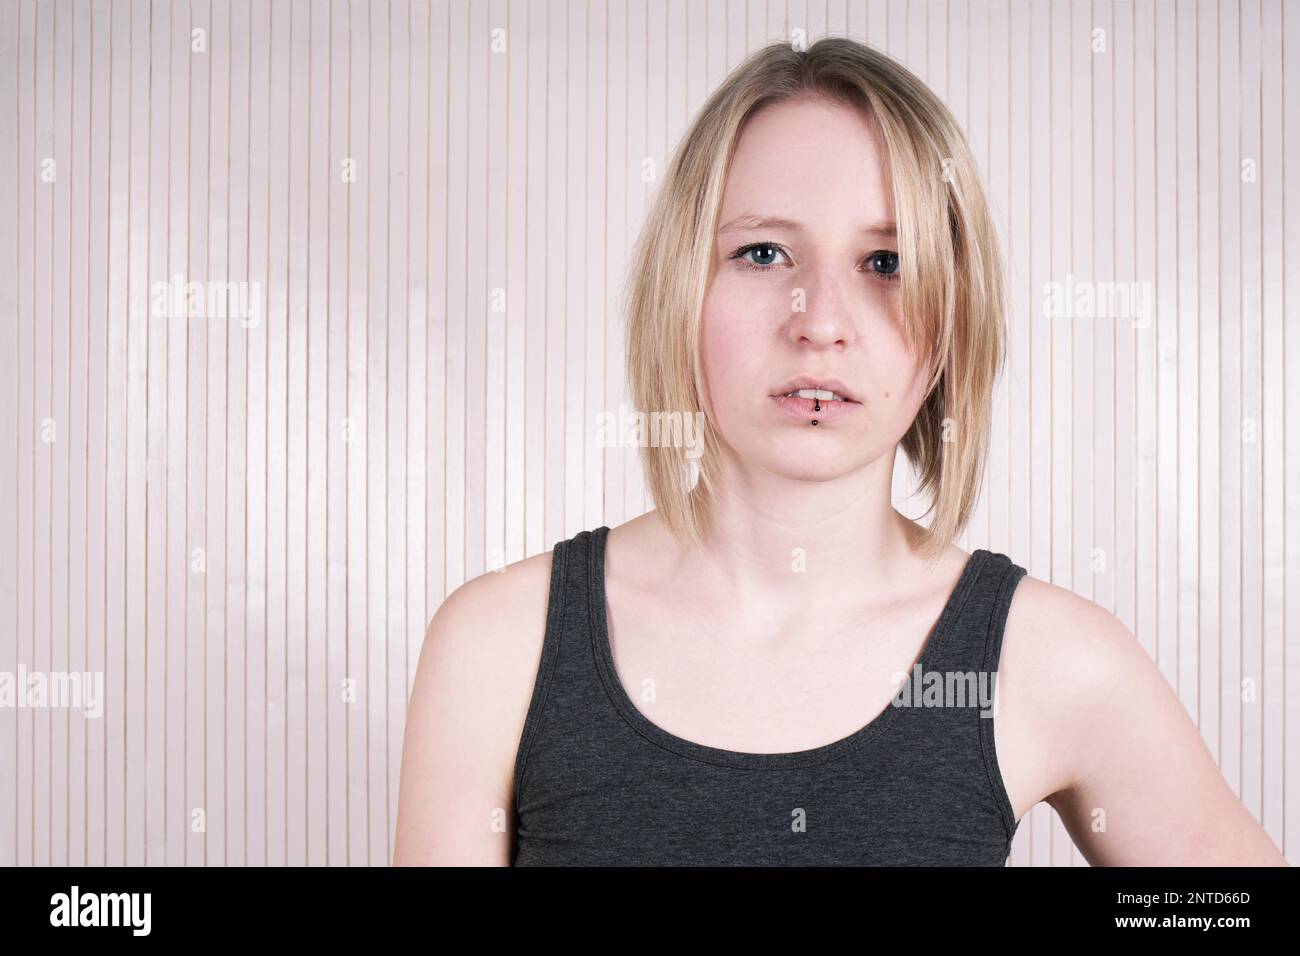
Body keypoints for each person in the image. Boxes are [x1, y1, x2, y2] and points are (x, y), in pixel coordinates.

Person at [393, 37, 1287, 866]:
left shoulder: (1048, 660)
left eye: (886, 263)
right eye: (763, 251)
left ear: (950, 321)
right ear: (680, 290)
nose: (819, 322)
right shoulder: (499, 648)